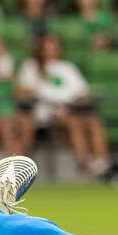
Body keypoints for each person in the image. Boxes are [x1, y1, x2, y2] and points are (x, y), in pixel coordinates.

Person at [16, 34, 111, 177]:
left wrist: (73, 102)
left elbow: (83, 92)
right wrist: (40, 86)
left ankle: (101, 161)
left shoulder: (68, 67)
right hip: (46, 111)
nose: (50, 52)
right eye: (46, 48)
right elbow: (22, 91)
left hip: (71, 108)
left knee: (93, 121)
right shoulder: (31, 66)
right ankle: (83, 164)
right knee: (73, 123)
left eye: (53, 48)